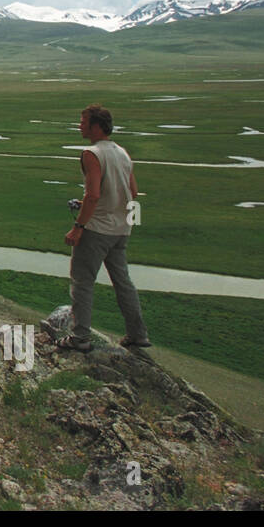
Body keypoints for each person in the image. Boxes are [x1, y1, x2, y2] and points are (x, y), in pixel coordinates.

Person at [57, 104, 152, 353]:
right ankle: (138, 335)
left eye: (83, 121)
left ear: (96, 125)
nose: (79, 125)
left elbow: (94, 195)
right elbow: (131, 192)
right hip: (121, 230)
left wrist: (78, 226)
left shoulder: (91, 153)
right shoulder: (122, 152)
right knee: (123, 282)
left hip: (97, 230)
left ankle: (80, 338)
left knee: (82, 282)